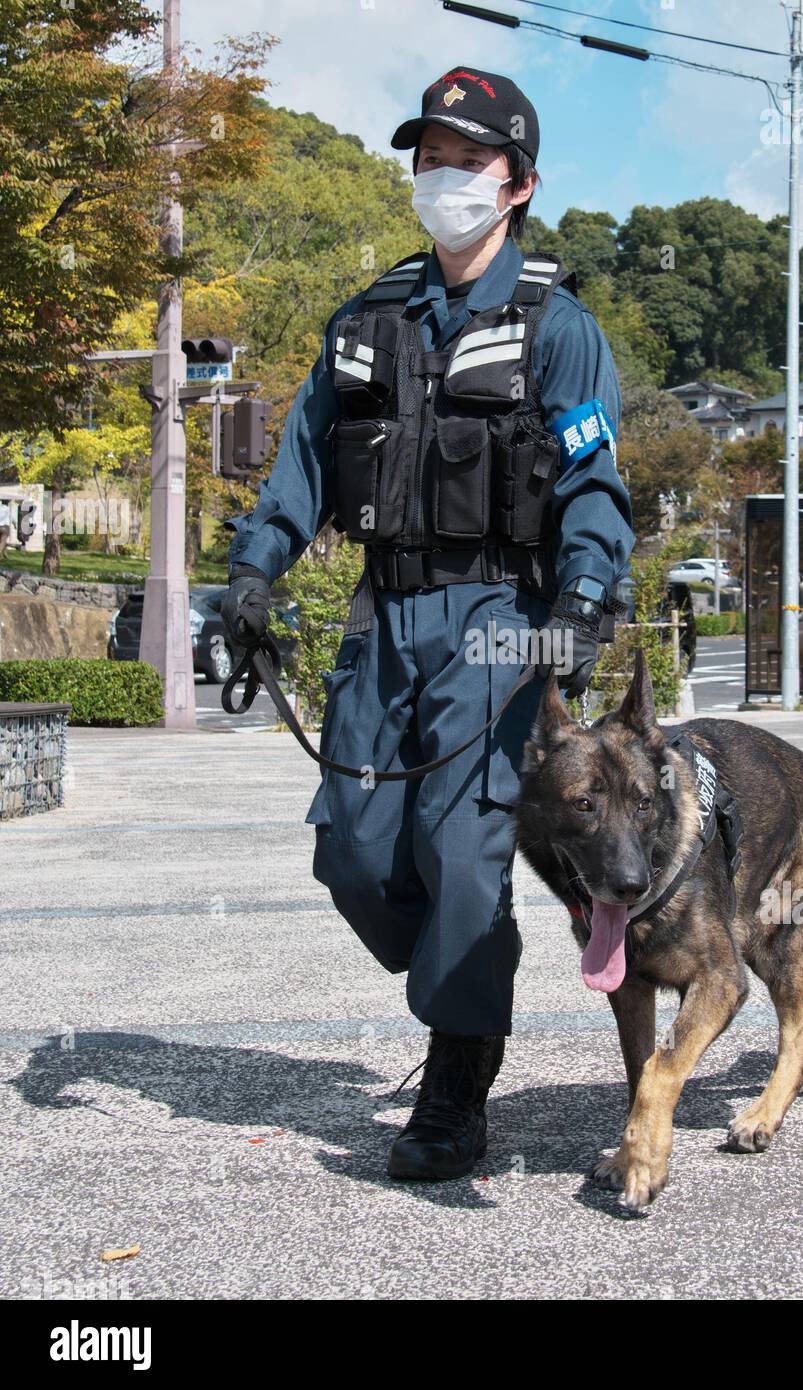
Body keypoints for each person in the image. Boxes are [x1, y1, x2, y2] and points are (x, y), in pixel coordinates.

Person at [220, 66, 635, 1181]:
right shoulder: (366, 323)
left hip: (500, 619)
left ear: (518, 185)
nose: (442, 176)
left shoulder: (559, 329)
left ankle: (457, 1081)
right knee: (352, 852)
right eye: (429, 156)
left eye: (467, 159)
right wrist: (252, 575)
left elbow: (595, 484)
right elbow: (301, 465)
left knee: (462, 854)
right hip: (384, 613)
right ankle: (458, 977)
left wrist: (587, 595)